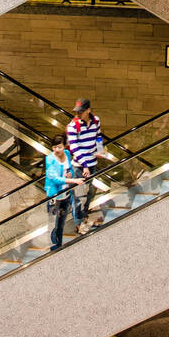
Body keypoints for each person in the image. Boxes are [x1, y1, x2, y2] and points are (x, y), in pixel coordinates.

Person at [66, 98, 105, 231]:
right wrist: (85, 165)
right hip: (79, 165)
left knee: (89, 192)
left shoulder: (96, 121)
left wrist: (99, 150)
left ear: (88, 110)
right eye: (77, 111)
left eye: (81, 111)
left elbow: (98, 135)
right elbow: (74, 148)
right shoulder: (73, 126)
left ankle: (84, 215)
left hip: (92, 162)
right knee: (77, 195)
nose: (78, 114)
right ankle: (78, 223)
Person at [45, 132, 82, 251]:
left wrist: (70, 173)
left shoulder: (66, 153)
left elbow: (69, 168)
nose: (57, 149)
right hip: (55, 196)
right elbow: (54, 178)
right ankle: (55, 245)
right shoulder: (50, 159)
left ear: (64, 146)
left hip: (66, 192)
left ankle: (58, 243)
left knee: (61, 221)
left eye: (59, 147)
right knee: (55, 222)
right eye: (54, 147)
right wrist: (73, 180)